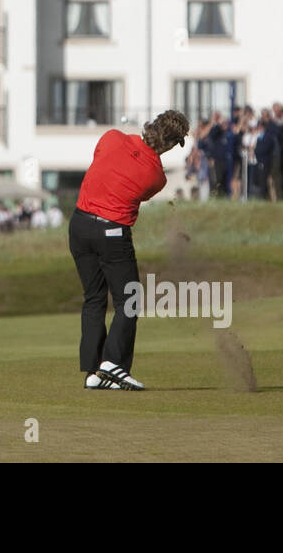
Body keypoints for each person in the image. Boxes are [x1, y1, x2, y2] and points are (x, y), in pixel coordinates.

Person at [69, 108, 189, 392]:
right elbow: (139, 191)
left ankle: (94, 371)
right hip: (112, 233)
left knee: (94, 299)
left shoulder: (111, 137)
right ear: (172, 144)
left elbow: (101, 163)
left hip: (78, 225)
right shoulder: (157, 177)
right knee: (129, 300)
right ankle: (114, 363)